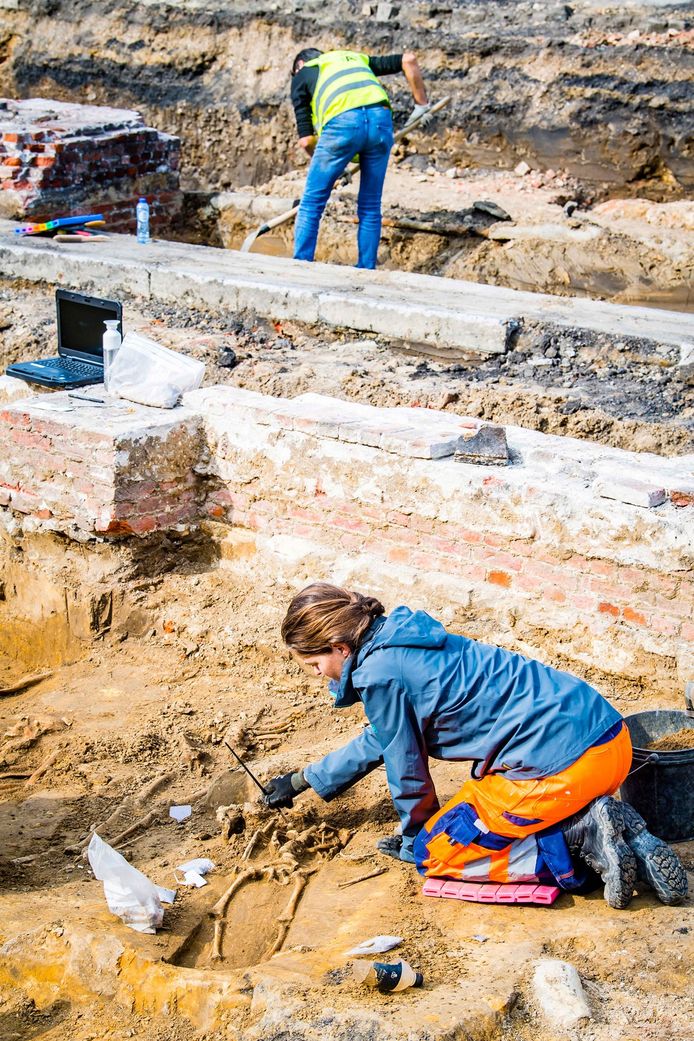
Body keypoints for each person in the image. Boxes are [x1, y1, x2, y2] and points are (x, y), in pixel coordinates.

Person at [264, 583, 687, 909]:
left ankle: (583, 839)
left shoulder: (379, 674)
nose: (319, 675)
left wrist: (418, 839)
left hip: (566, 767)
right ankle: (614, 831)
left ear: (340, 647)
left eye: (315, 665)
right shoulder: (401, 638)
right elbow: (386, 735)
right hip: (610, 740)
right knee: (468, 810)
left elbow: (405, 766)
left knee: (438, 854)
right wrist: (304, 779)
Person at [290, 47, 431, 269]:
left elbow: (307, 141)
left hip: (342, 126)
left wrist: (334, 166)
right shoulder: (354, 58)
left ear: (299, 65)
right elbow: (409, 59)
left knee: (311, 203)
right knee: (370, 204)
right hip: (380, 121)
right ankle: (366, 268)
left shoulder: (303, 75)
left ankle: (300, 267)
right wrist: (422, 106)